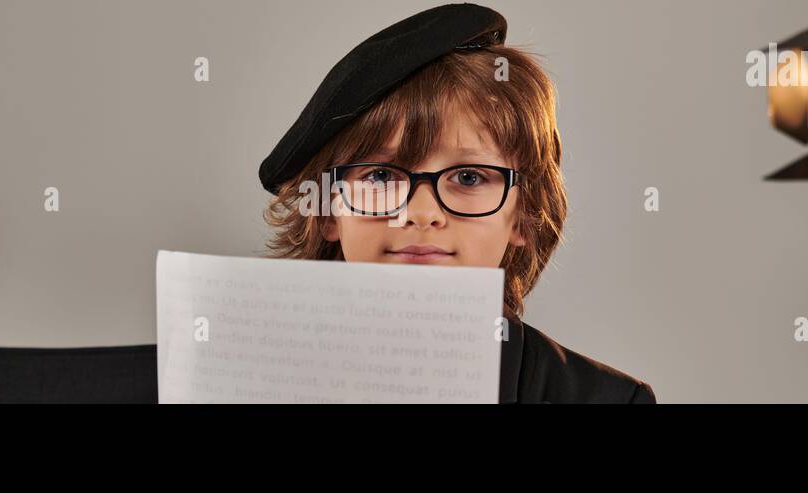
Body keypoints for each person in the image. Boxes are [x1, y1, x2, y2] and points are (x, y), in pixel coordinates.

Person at [259, 3, 655, 403]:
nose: (421, 214)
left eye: (468, 177)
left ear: (524, 214)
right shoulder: (257, 380)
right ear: (328, 209)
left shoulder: (609, 401)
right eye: (380, 176)